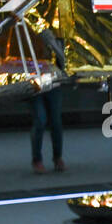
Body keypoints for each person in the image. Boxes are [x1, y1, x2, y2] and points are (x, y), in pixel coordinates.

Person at [29, 27, 66, 174]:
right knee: (40, 120)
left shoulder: (55, 34)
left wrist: (52, 43)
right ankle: (37, 160)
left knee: (56, 122)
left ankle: (58, 158)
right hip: (34, 85)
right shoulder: (28, 35)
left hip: (53, 83)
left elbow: (63, 60)